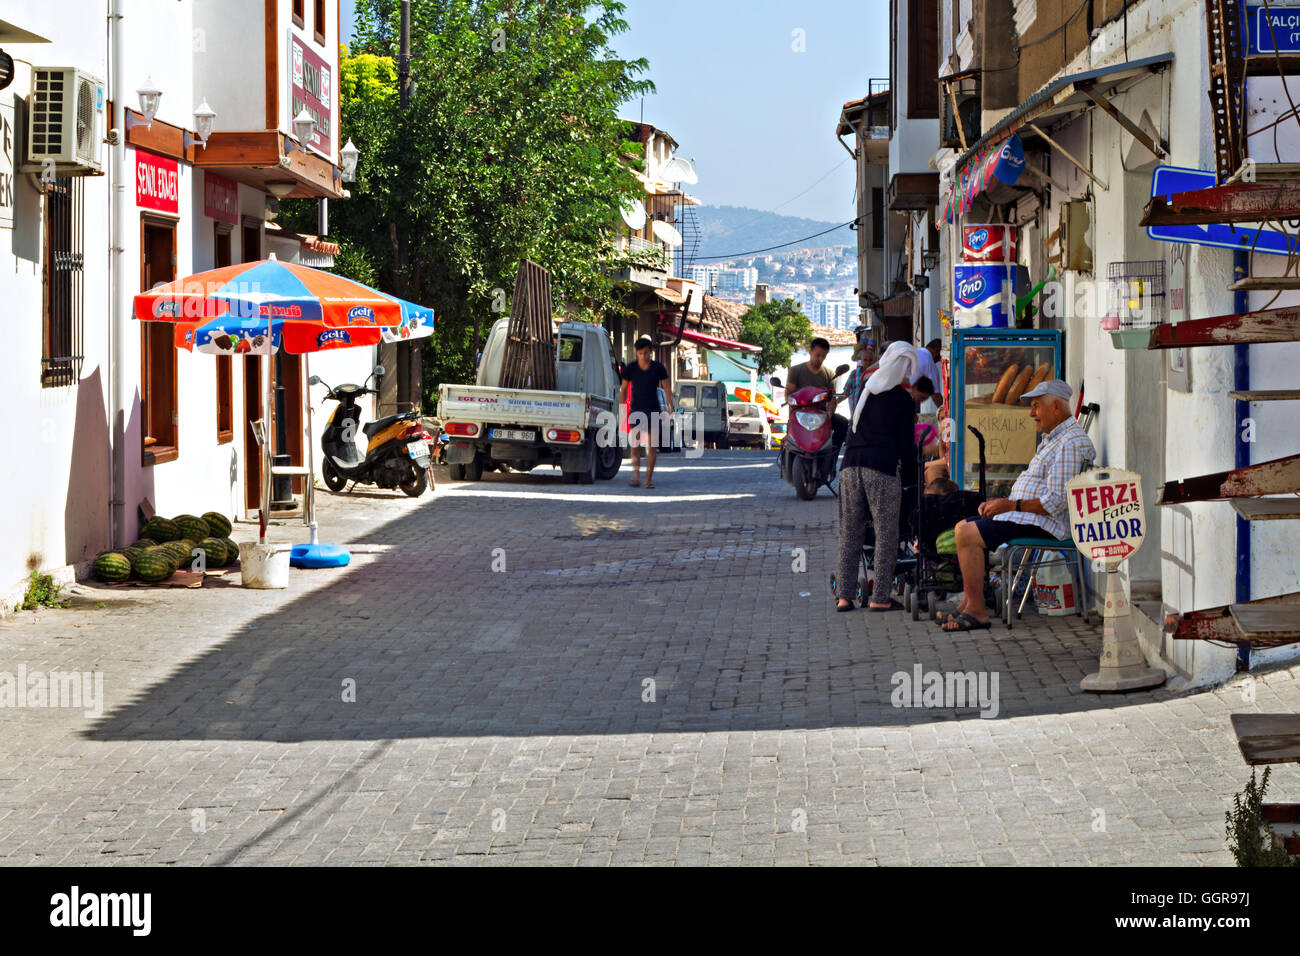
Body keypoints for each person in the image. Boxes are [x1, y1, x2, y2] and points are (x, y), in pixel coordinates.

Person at [940, 380, 1096, 631]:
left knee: (966, 534)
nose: (1031, 413)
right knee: (963, 526)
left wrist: (1010, 505)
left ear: (1056, 407)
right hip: (1029, 518)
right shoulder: (1055, 438)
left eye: (1036, 406)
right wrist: (1005, 505)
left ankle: (977, 612)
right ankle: (968, 604)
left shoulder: (1070, 443)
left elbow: (1055, 502)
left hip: (1047, 524)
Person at [835, 341, 918, 612]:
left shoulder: (866, 392)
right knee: (885, 533)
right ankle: (880, 597)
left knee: (850, 533)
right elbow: (906, 446)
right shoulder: (903, 401)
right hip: (880, 469)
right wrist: (911, 474)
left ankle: (845, 596)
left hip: (849, 467)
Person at [785, 337, 848, 465]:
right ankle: (787, 460)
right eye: (817, 355)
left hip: (821, 413)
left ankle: (832, 457)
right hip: (799, 413)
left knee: (842, 423)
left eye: (823, 356)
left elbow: (832, 398)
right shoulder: (796, 371)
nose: (820, 359)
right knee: (788, 437)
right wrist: (792, 410)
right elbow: (788, 393)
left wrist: (830, 412)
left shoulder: (829, 374)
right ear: (810, 352)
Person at [621, 335, 673, 489]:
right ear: (636, 353)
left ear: (650, 352)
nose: (643, 356)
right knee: (635, 445)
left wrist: (670, 405)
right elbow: (623, 389)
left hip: (654, 410)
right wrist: (622, 408)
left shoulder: (658, 368)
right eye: (640, 353)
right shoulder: (630, 368)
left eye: (645, 353)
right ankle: (636, 477)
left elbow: (667, 388)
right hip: (636, 409)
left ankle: (648, 480)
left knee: (652, 446)